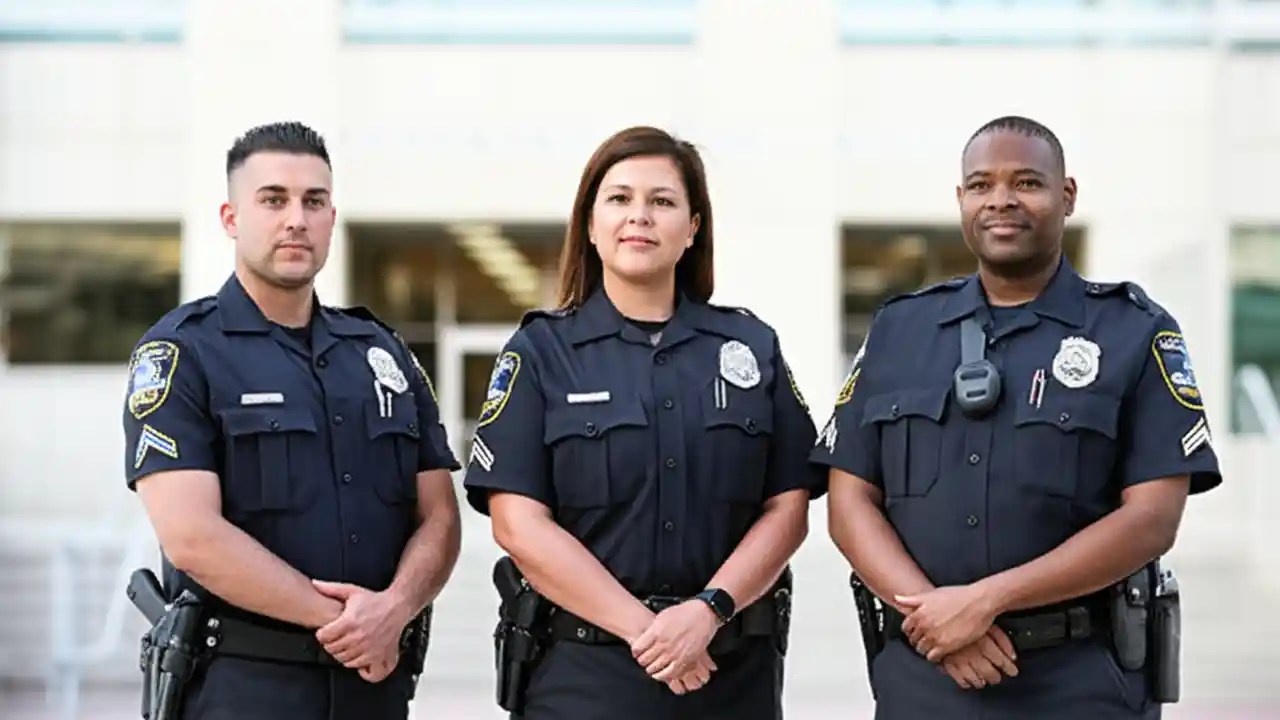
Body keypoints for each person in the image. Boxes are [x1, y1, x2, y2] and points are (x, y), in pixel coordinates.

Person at [811, 115, 1222, 719]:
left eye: (1026, 182)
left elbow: (1153, 519)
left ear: (1067, 195)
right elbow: (849, 503)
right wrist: (937, 616)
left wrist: (985, 603)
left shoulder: (1135, 331)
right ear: (960, 200)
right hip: (925, 681)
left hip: (1082, 682)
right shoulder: (901, 330)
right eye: (980, 185)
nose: (1000, 200)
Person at [462, 126, 824, 719]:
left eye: (662, 201)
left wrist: (707, 611)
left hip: (731, 676)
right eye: (620, 199)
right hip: (584, 679)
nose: (641, 217)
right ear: (591, 223)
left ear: (693, 227)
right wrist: (649, 630)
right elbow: (519, 524)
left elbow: (788, 508)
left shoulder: (750, 348)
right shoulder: (541, 353)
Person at [122, 121, 462, 720]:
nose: (296, 219)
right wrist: (349, 624)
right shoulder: (183, 352)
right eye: (273, 200)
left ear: (333, 216)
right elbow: (191, 537)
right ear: (231, 217)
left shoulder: (382, 354)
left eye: (315, 201)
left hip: (372, 691)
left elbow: (438, 513)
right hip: (243, 690)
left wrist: (396, 608)